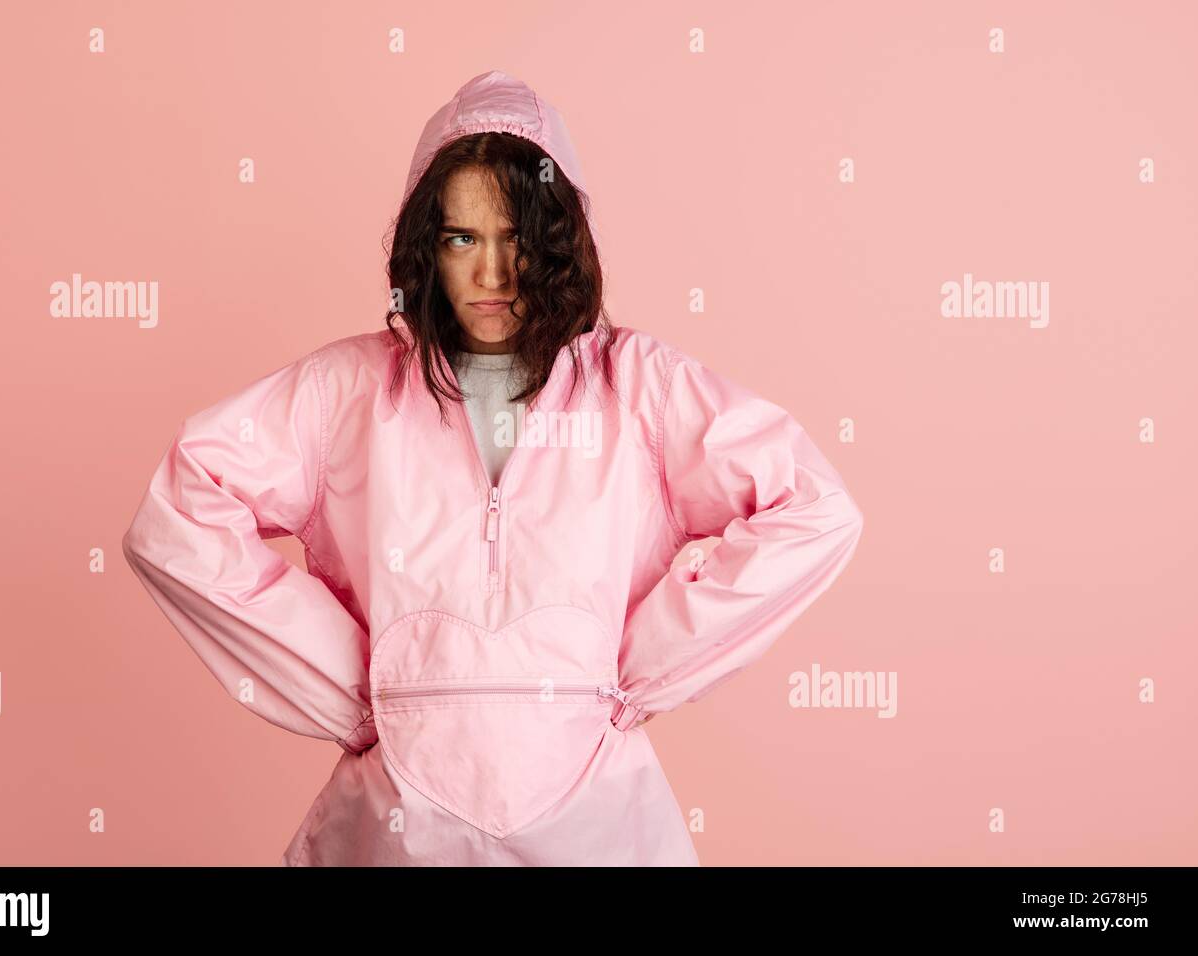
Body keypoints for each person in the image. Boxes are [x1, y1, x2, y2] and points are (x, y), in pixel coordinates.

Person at [121, 69, 864, 866]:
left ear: (558, 242)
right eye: (462, 238)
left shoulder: (638, 388)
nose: (492, 274)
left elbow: (813, 507)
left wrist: (634, 674)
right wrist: (353, 686)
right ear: (425, 247)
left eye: (517, 239)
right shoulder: (348, 393)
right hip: (397, 831)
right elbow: (181, 510)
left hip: (599, 828)